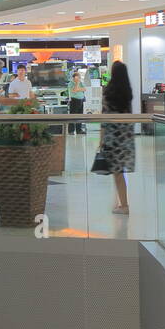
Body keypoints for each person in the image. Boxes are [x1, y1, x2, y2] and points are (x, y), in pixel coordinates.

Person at [95, 60, 135, 215]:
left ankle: (124, 205)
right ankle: (122, 203)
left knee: (117, 172)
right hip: (125, 136)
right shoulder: (128, 93)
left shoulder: (109, 92)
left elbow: (105, 118)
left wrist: (101, 138)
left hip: (112, 137)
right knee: (119, 171)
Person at [68, 67, 86, 134]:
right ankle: (71, 130)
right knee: (73, 116)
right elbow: (75, 90)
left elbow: (84, 89)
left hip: (81, 100)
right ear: (74, 78)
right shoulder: (71, 83)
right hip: (74, 100)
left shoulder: (81, 82)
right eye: (77, 77)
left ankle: (79, 130)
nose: (78, 78)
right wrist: (77, 83)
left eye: (79, 77)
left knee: (80, 115)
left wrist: (78, 87)